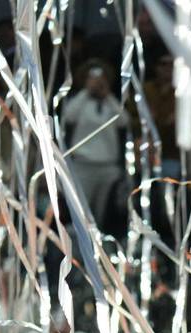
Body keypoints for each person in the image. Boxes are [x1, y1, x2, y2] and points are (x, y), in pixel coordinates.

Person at [62, 65, 128, 228]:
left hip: (107, 166)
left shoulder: (110, 103)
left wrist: (107, 95)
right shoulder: (80, 102)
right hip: (84, 165)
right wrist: (87, 91)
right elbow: (68, 116)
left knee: (103, 211)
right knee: (81, 208)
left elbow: (123, 121)